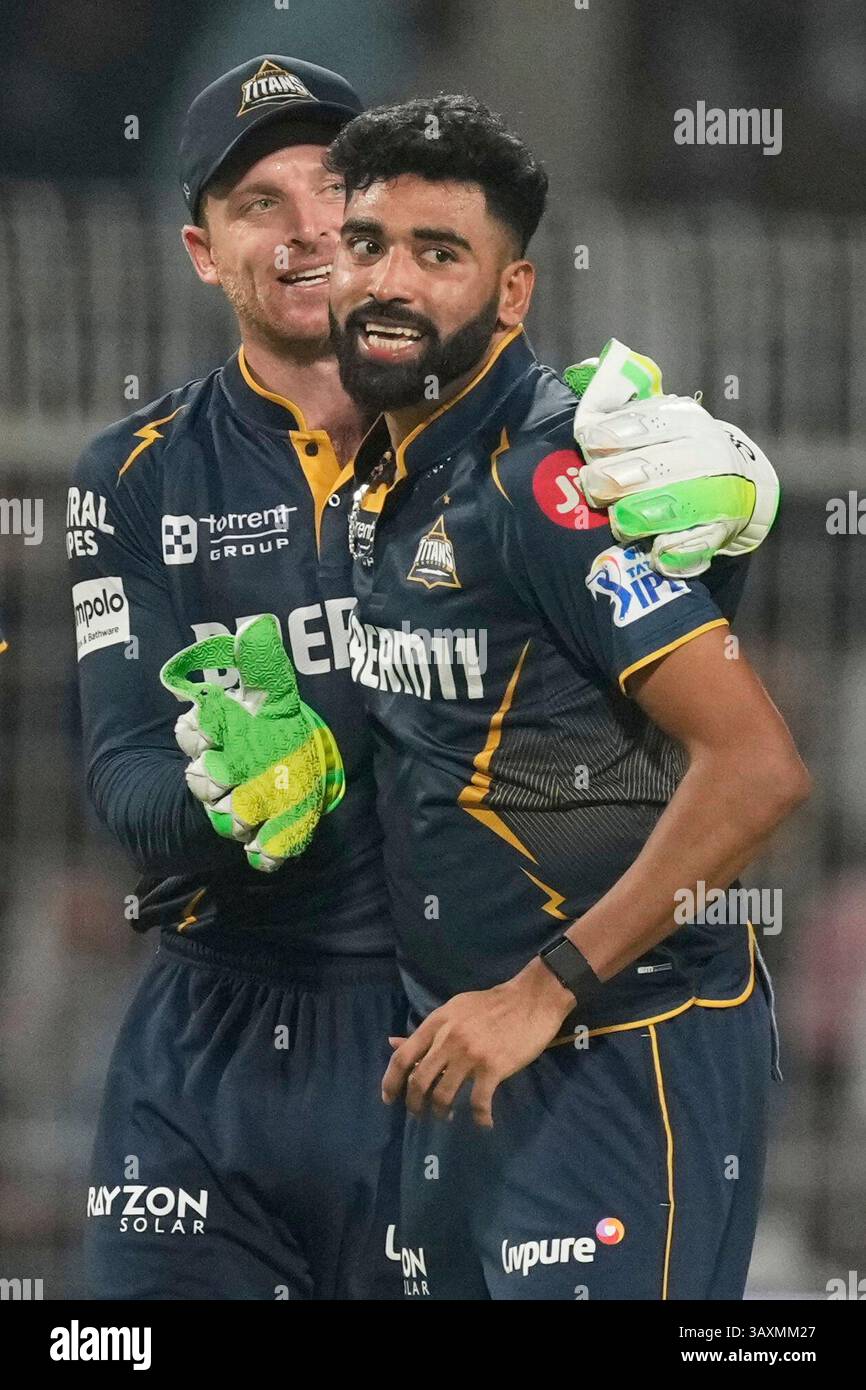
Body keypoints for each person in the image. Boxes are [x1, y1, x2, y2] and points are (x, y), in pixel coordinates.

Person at [325, 94, 811, 1300]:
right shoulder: (377, 478)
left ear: (512, 294)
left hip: (618, 1047)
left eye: (438, 253)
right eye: (368, 243)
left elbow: (756, 767)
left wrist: (539, 992)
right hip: (461, 1052)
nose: (389, 282)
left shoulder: (549, 479)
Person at [70, 55, 406, 1301]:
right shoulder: (134, 474)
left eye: (335, 187)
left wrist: (725, 529)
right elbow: (122, 775)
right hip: (206, 1050)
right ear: (204, 252)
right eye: (261, 201)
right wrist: (229, 794)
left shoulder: (501, 443)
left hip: (441, 1028)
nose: (308, 226)